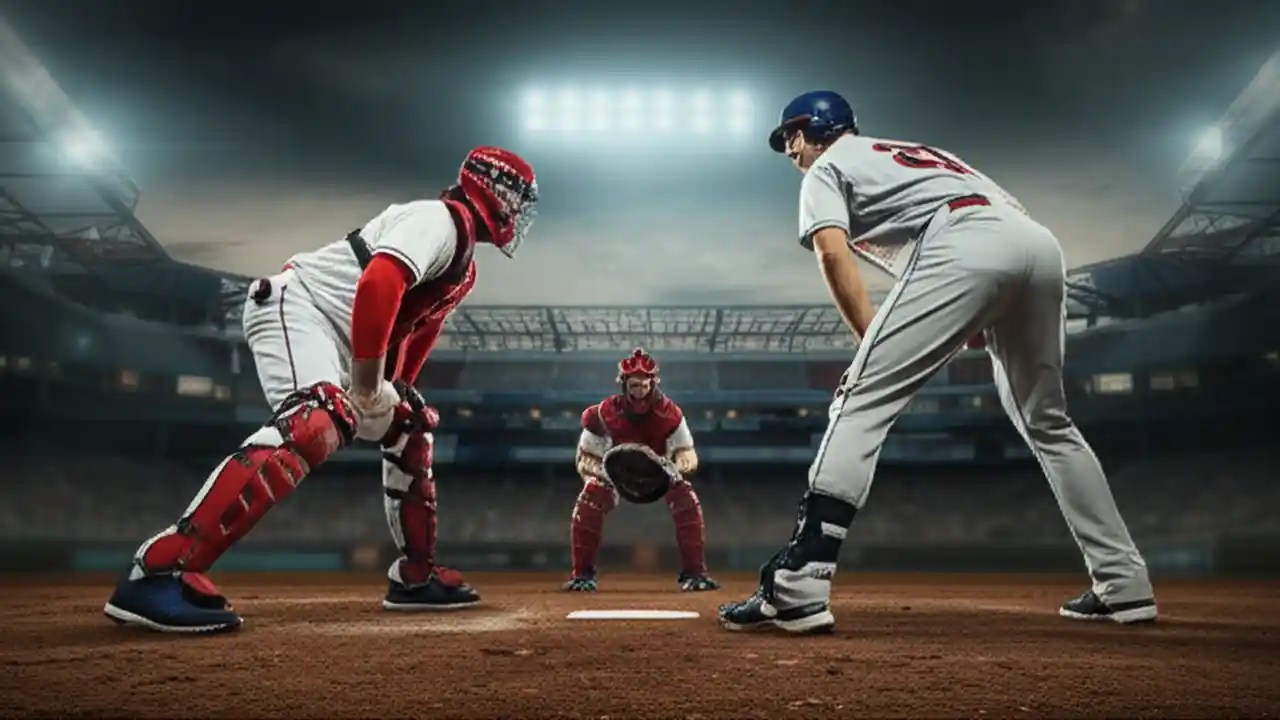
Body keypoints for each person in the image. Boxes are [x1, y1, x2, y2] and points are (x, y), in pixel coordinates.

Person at [718, 91, 1156, 634]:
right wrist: (977, 306)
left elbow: (833, 251)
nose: (789, 151)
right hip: (1036, 246)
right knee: (1050, 422)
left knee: (861, 398)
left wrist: (869, 342)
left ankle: (800, 582)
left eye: (790, 137)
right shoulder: (913, 152)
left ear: (814, 129)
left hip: (963, 242)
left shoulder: (826, 167)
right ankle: (1124, 583)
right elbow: (997, 235)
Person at [103, 147, 539, 632]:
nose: (520, 210)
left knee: (409, 425)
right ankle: (158, 569)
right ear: (490, 187)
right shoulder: (440, 218)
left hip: (344, 339)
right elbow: (380, 284)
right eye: (516, 196)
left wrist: (397, 389)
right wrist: (370, 381)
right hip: (300, 308)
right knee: (315, 420)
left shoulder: (464, 265)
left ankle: (415, 577)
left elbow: (417, 327)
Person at [566, 348, 720, 592]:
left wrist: (671, 469)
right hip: (614, 472)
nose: (639, 392)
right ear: (624, 384)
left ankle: (695, 573)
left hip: (660, 470)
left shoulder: (671, 415)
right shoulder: (602, 414)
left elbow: (688, 455)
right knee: (590, 495)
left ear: (653, 383)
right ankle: (582, 575)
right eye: (634, 386)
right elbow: (585, 458)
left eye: (644, 385)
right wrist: (604, 473)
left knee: (686, 497)